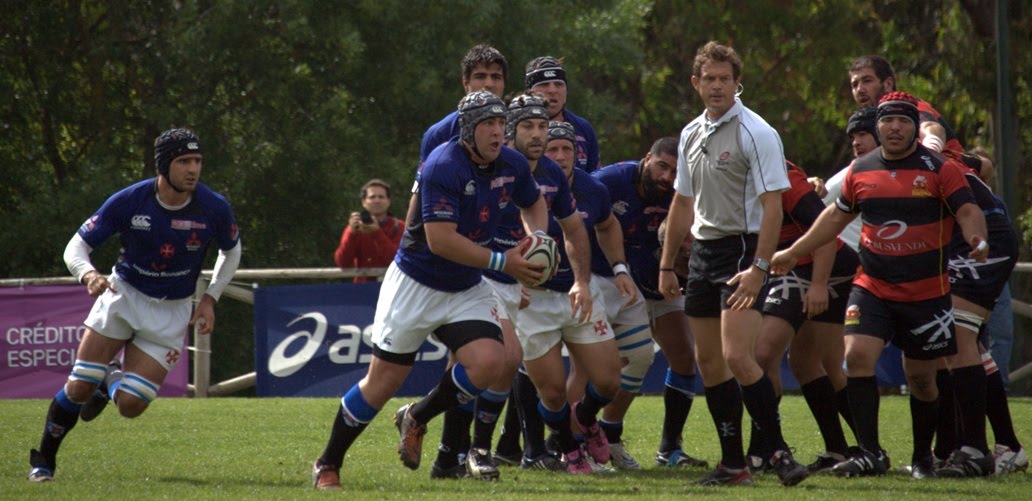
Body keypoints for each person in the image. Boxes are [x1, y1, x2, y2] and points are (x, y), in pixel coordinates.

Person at [311, 90, 561, 490]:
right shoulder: (443, 165)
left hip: (464, 285)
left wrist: (538, 242)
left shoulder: (511, 163)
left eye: (501, 124)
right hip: (417, 283)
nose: (498, 133)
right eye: (487, 125)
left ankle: (417, 417)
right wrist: (505, 263)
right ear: (467, 130)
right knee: (382, 382)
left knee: (490, 361)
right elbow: (441, 240)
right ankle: (328, 462)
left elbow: (533, 204)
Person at [771, 92, 990, 478]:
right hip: (872, 285)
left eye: (904, 121)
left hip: (924, 290)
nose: (894, 127)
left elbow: (968, 210)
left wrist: (977, 239)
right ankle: (869, 452)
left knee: (922, 378)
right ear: (878, 126)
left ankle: (923, 455)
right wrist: (794, 251)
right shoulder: (861, 170)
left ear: (914, 128)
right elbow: (832, 220)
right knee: (855, 357)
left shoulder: (939, 169)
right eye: (888, 121)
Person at [28, 128, 242, 482]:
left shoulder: (214, 207)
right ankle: (44, 462)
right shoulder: (130, 200)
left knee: (130, 406)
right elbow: (75, 248)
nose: (193, 169)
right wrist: (89, 275)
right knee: (78, 385)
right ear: (163, 165)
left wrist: (209, 299)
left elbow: (231, 251)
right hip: (123, 297)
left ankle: (108, 379)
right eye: (184, 161)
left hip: (171, 311)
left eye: (198, 161)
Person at [657, 41, 808, 488]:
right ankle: (733, 465)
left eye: (725, 78)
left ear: (737, 83)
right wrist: (668, 266)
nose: (717, 85)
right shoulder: (689, 133)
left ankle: (778, 450)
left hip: (742, 250)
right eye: (710, 78)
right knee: (709, 362)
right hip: (702, 253)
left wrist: (761, 266)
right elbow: (683, 202)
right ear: (696, 83)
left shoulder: (756, 132)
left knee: (738, 356)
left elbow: (774, 206)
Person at [586, 138, 707, 471]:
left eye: (674, 171)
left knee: (683, 355)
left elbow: (695, 226)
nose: (667, 177)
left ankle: (664, 448)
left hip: (661, 283)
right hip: (610, 282)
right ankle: (568, 440)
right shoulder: (609, 181)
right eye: (662, 166)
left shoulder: (682, 193)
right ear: (646, 159)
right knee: (601, 366)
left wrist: (687, 248)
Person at [513, 120, 621, 474]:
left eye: (567, 150)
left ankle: (586, 418)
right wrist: (515, 280)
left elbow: (599, 226)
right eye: (553, 149)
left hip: (577, 293)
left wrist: (587, 281)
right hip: (535, 300)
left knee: (608, 380)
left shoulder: (592, 187)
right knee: (554, 392)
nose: (560, 156)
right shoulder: (515, 183)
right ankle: (567, 444)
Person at [749, 161, 859, 474]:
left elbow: (824, 228)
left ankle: (765, 450)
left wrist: (820, 284)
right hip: (783, 267)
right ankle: (841, 449)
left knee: (763, 354)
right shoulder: (722, 169)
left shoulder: (779, 174)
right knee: (805, 362)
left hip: (822, 267)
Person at [525, 56, 600, 172]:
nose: (553, 90)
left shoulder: (583, 128)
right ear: (529, 92)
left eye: (558, 84)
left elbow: (595, 178)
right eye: (544, 85)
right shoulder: (515, 129)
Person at [333, 179, 404, 282]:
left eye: (381, 197)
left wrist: (377, 234)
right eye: (372, 197)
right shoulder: (355, 228)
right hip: (363, 289)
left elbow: (398, 260)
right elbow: (342, 262)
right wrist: (351, 234)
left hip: (393, 286)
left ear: (388, 201)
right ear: (364, 202)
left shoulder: (400, 227)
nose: (377, 201)